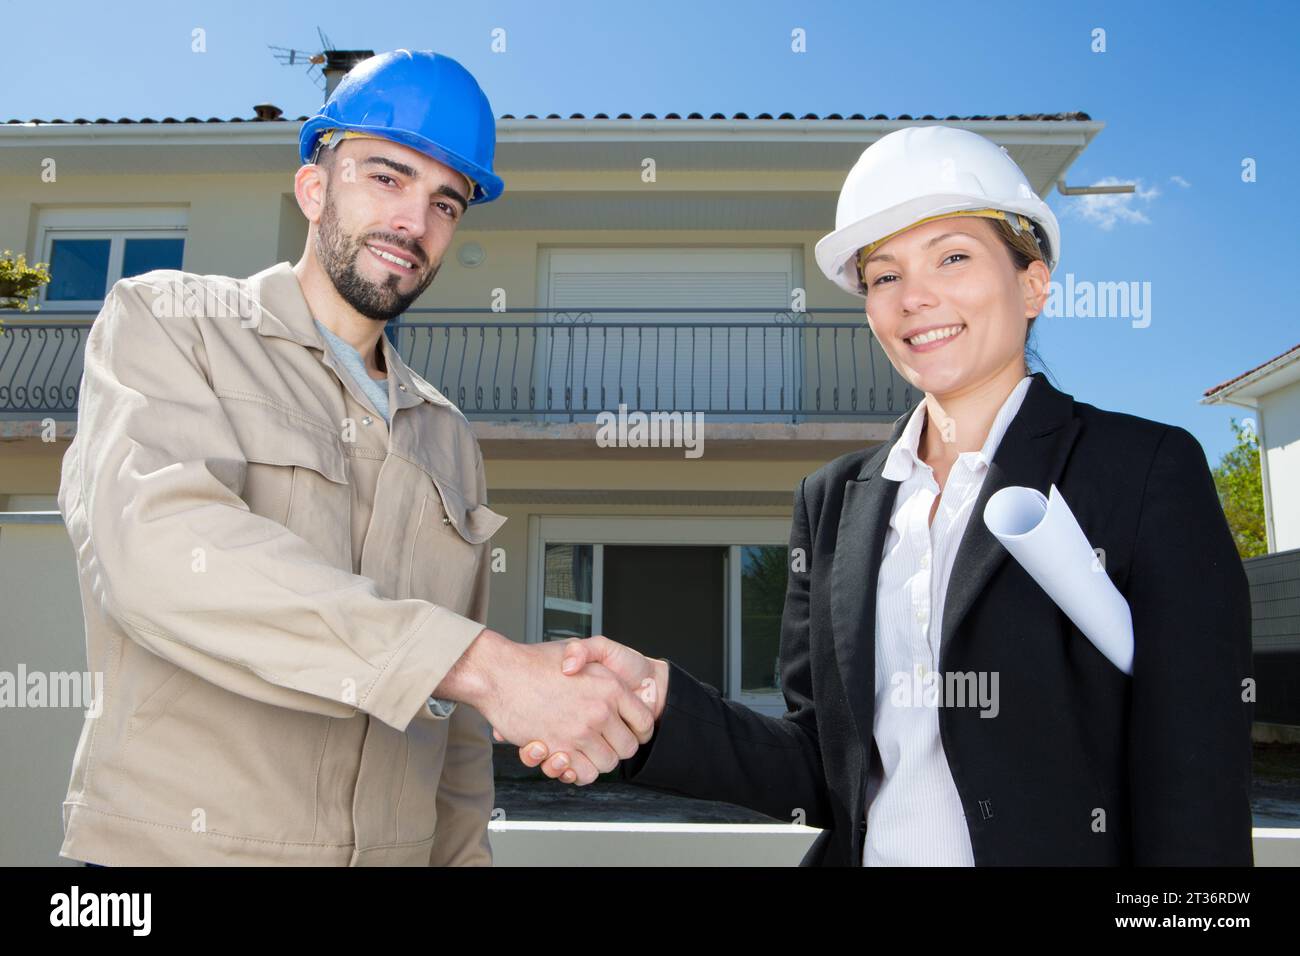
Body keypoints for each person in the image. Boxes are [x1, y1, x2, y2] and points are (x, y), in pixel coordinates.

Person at [513, 126, 1256, 865]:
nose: (915, 299)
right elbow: (816, 764)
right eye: (884, 276)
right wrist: (661, 705)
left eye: (954, 258)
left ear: (1033, 284)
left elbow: (1197, 766)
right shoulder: (835, 500)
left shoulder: (1143, 469)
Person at [57, 49, 656, 867]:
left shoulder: (444, 432)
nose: (415, 222)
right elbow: (159, 552)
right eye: (386, 177)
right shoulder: (172, 323)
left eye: (445, 202)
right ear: (314, 188)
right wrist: (486, 668)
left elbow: (457, 740)